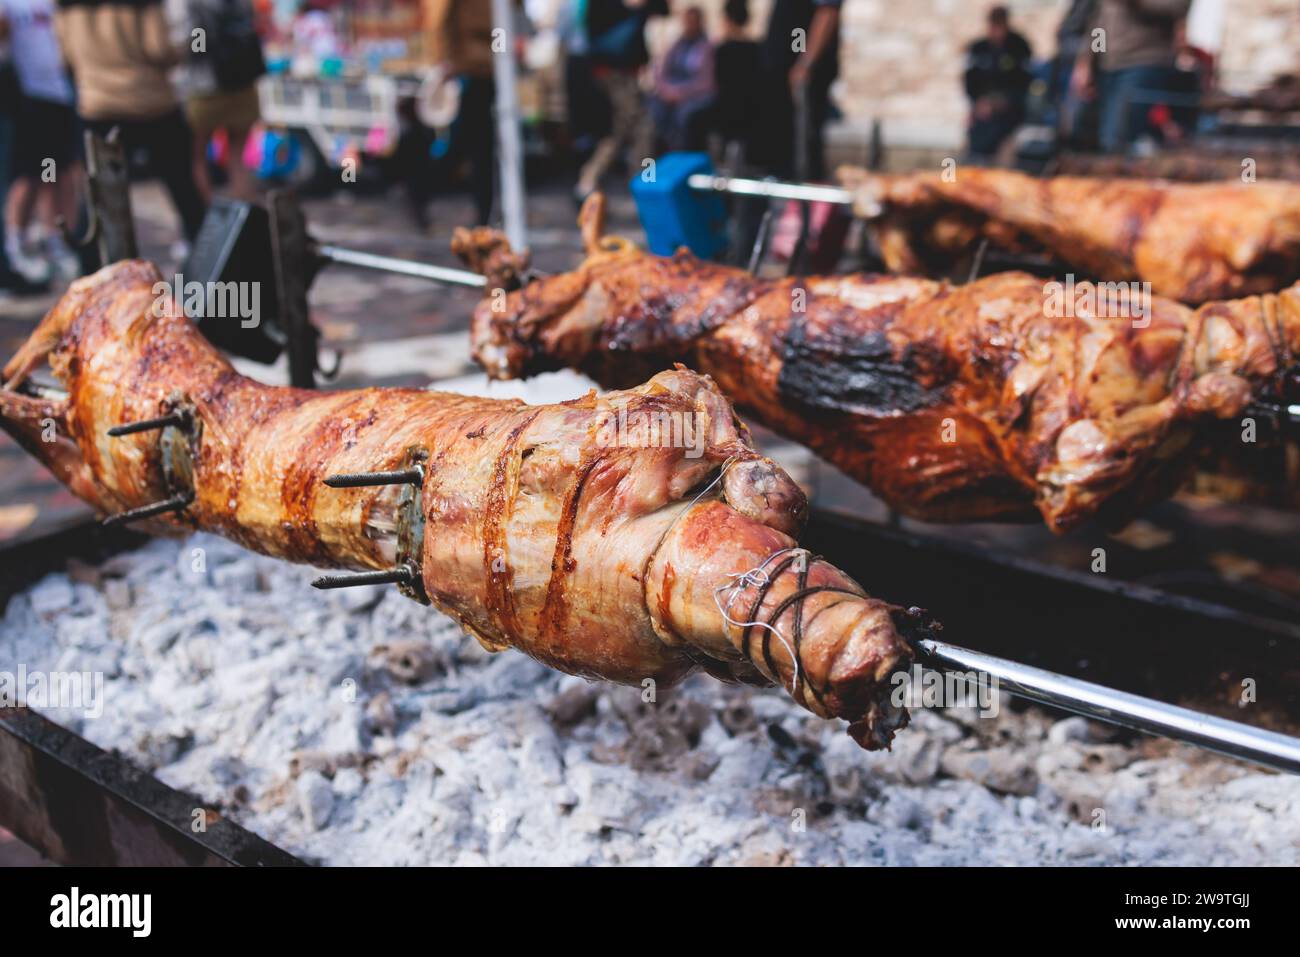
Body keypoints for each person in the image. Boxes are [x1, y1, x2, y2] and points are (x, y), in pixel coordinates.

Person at [54, 0, 208, 243]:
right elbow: (159, 48)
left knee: (99, 197)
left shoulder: (66, 6)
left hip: (97, 107)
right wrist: (186, 49)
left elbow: (64, 58)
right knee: (184, 191)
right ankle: (207, 258)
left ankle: (90, 266)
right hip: (150, 104)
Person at [2, 0, 82, 283]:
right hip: (28, 96)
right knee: (29, 175)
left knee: (58, 173)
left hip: (61, 93)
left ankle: (56, 240)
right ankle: (16, 246)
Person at [166, 0, 266, 204]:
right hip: (242, 83)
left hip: (203, 88)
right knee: (238, 156)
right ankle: (243, 215)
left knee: (196, 158)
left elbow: (191, 39)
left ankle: (207, 221)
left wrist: (198, 49)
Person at [575, 0, 668, 202]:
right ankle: (643, 184)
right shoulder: (610, 7)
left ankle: (589, 181)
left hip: (619, 73)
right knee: (642, 127)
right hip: (616, 74)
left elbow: (662, 10)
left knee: (622, 129)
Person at [1071, 0, 1191, 153]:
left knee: (1120, 136)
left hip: (1145, 61)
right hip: (1108, 66)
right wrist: (1088, 62)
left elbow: (1177, 8)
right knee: (1099, 136)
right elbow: (1100, 24)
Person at [425, 0, 497, 226]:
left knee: (481, 146)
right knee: (468, 144)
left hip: (489, 68)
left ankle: (483, 213)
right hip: (468, 70)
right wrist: (445, 60)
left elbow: (504, 20)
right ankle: (419, 190)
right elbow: (439, 19)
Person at [755, 0, 840, 182]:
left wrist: (803, 63)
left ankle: (804, 197)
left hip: (800, 77)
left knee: (803, 140)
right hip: (784, 73)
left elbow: (824, 14)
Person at [963, 5, 1033, 162]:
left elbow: (1025, 82)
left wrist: (1005, 102)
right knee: (975, 152)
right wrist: (978, 103)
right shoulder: (978, 48)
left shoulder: (1019, 47)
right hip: (983, 112)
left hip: (1010, 114)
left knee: (1005, 155)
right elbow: (970, 80)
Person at [649, 6, 714, 152]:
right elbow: (660, 71)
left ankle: (681, 156)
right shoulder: (677, 45)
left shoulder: (706, 47)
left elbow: (706, 83)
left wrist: (680, 93)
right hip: (671, 93)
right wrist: (666, 90)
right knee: (653, 110)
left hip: (694, 95)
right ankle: (655, 160)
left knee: (684, 115)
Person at [712, 0, 760, 161]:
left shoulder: (723, 50)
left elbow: (716, 82)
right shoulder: (756, 48)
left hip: (728, 111)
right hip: (751, 110)